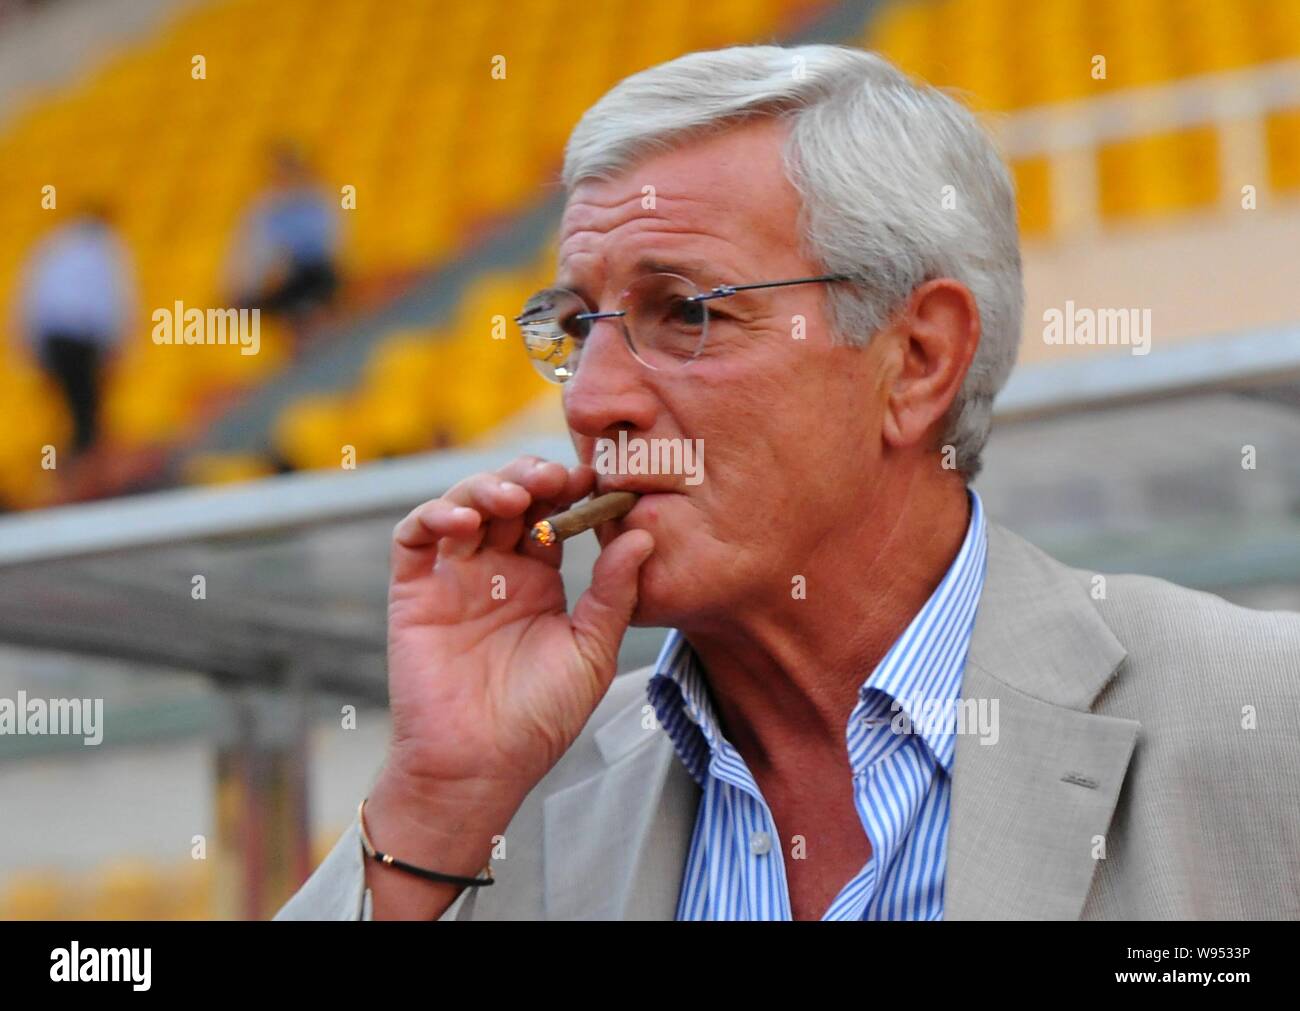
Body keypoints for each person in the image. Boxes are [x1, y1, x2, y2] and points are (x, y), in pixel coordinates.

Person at [276, 45, 1300, 921]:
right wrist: (438, 806)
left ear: (916, 360)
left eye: (685, 312)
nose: (591, 402)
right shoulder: (511, 789)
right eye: (578, 325)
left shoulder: (1263, 716)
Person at [22, 203, 134, 457]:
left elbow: (31, 297)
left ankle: (79, 457)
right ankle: (86, 458)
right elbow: (117, 299)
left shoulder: (53, 243)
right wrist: (120, 346)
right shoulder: (107, 247)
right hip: (83, 337)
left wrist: (33, 347)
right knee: (85, 410)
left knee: (75, 408)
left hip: (55, 337)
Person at [230, 142, 340, 345]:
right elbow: (251, 255)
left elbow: (332, 246)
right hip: (283, 281)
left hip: (313, 276)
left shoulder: (319, 199)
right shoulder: (264, 209)